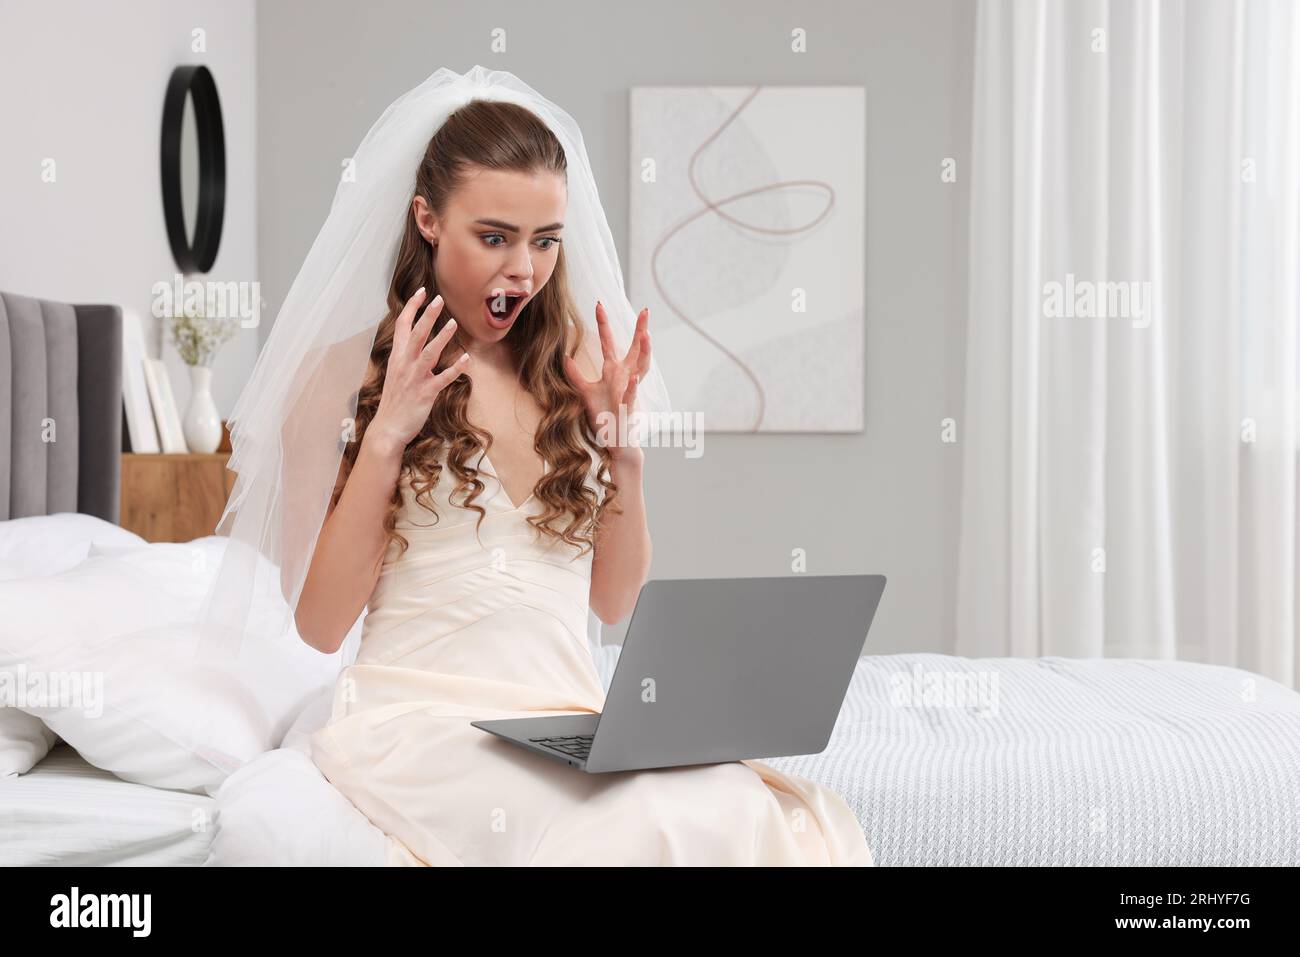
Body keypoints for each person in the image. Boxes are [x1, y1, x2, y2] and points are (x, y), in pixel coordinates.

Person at [206, 67, 873, 865]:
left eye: (546, 240)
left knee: (751, 805)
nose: (524, 269)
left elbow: (613, 598)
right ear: (426, 219)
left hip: (565, 716)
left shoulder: (576, 370)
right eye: (494, 237)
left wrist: (625, 457)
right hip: (417, 723)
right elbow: (318, 625)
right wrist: (387, 435)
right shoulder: (341, 376)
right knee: (620, 828)